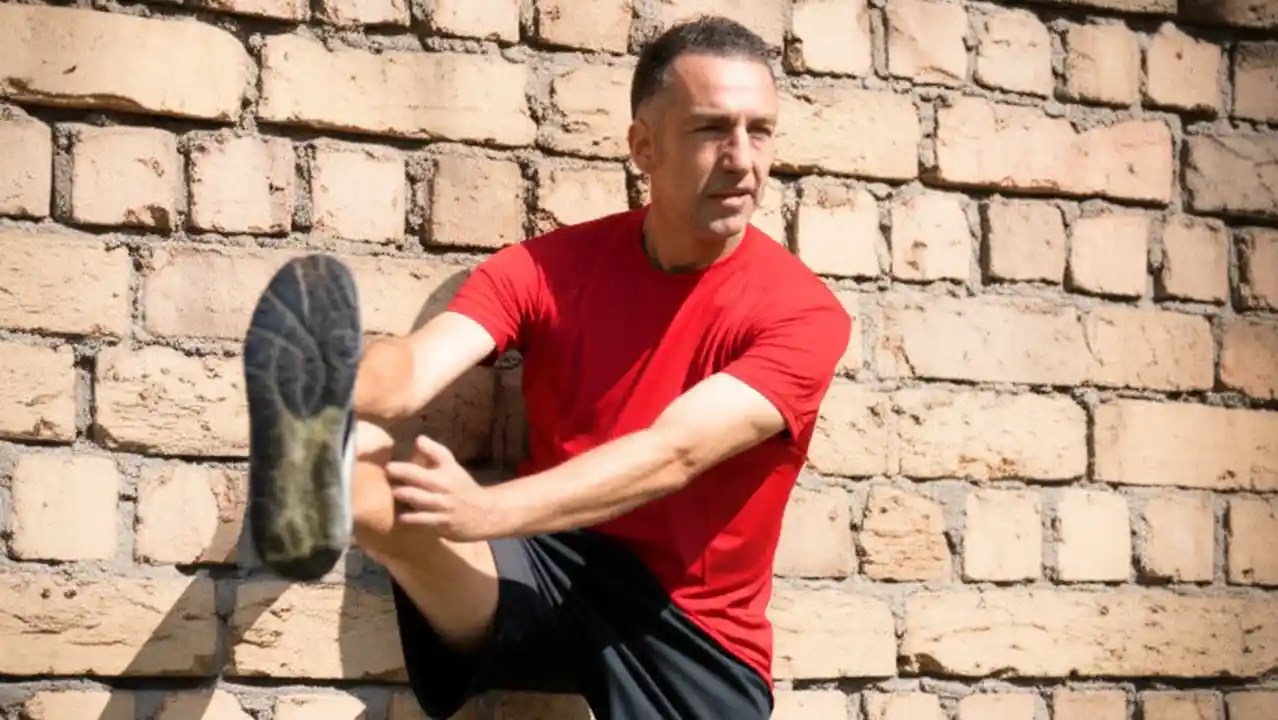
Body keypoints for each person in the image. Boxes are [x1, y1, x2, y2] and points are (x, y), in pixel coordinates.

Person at [241, 14, 851, 720]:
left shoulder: (802, 314)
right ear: (643, 147)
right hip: (546, 564)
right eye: (712, 129)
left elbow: (674, 453)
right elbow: (416, 367)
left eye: (760, 130)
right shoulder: (551, 267)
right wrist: (328, 383)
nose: (743, 158)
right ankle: (328, 475)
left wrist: (486, 509)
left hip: (691, 628)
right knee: (368, 466)